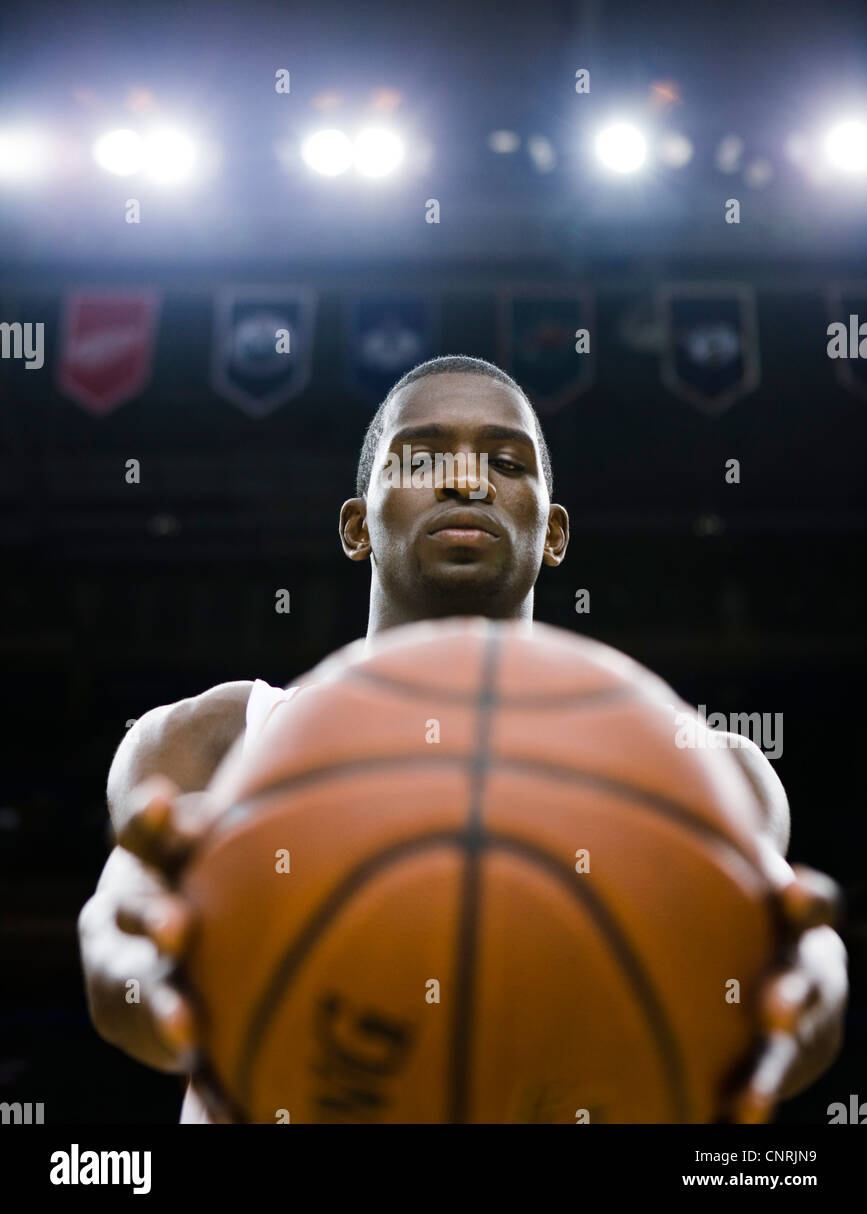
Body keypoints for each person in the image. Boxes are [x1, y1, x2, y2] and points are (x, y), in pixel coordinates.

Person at [77, 355, 848, 1124]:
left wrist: (809, 984)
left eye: (506, 461)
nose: (464, 481)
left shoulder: (708, 771)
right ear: (356, 526)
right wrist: (130, 962)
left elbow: (787, 968)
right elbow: (124, 921)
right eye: (420, 458)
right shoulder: (211, 740)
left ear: (552, 533)